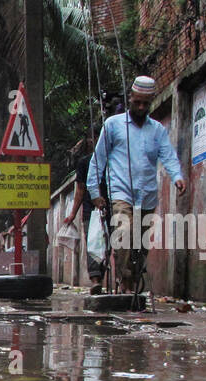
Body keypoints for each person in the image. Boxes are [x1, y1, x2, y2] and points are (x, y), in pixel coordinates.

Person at [88, 75, 186, 293]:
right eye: (137, 102)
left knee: (140, 245)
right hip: (121, 192)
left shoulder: (158, 130)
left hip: (147, 195)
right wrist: (95, 191)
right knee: (124, 233)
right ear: (130, 98)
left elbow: (168, 156)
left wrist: (177, 176)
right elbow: (98, 160)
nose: (141, 107)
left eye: (145, 103)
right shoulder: (113, 125)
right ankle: (126, 282)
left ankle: (132, 279)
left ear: (151, 102)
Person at [64, 132, 107, 293]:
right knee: (100, 244)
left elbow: (80, 190)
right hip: (94, 209)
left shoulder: (111, 160)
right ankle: (97, 280)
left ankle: (98, 279)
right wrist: (73, 213)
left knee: (96, 244)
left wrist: (73, 214)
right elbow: (80, 189)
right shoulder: (86, 163)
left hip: (107, 207)